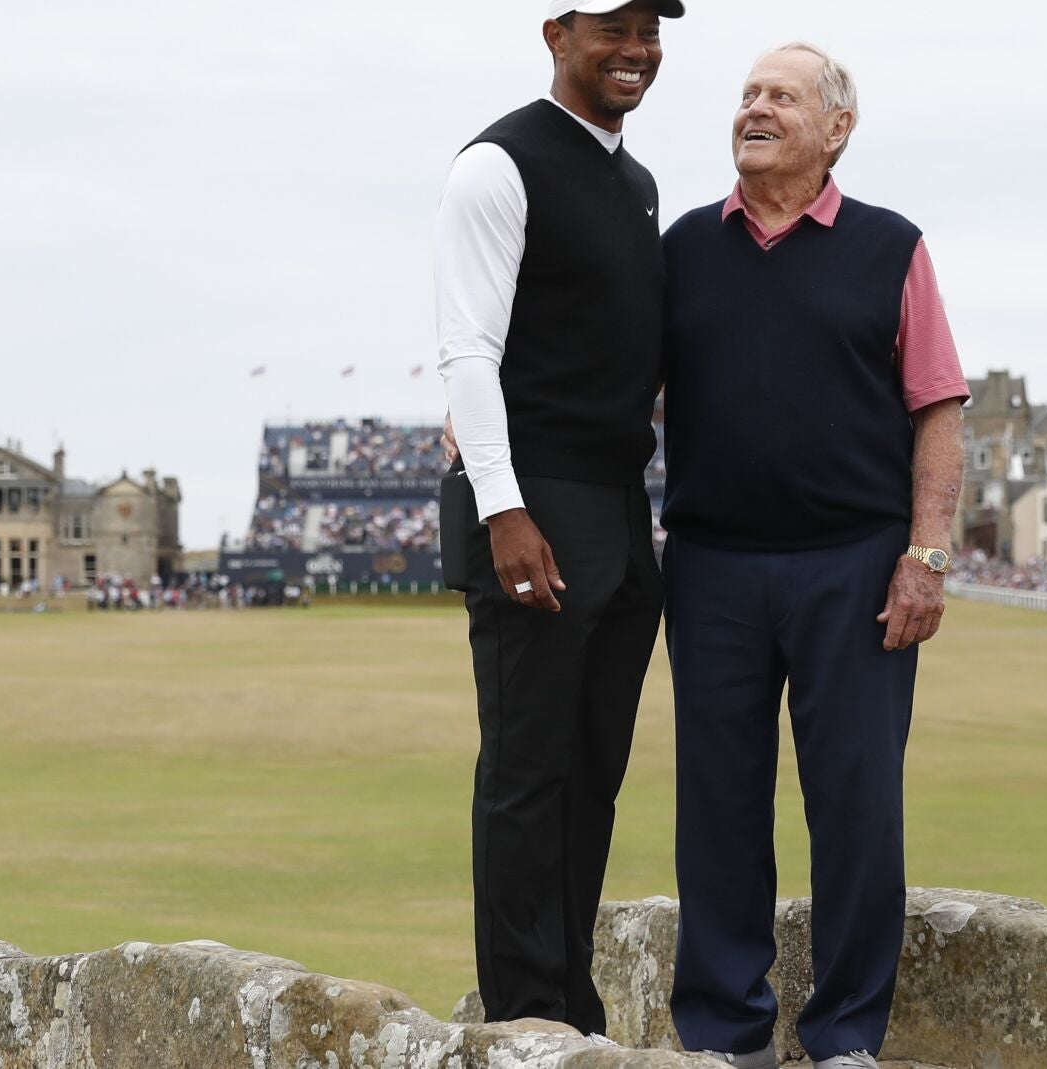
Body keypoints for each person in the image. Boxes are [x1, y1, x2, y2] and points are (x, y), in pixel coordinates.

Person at [660, 42, 969, 1069]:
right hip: (710, 566)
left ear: (836, 127)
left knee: (856, 811)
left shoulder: (892, 247)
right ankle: (724, 1035)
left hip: (856, 564)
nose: (754, 108)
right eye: (746, 95)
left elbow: (937, 409)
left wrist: (926, 553)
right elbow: (603, 368)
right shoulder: (681, 249)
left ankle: (843, 1039)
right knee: (716, 809)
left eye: (779, 97)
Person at [433, 0, 684, 1035]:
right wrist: (505, 509)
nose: (634, 51)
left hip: (619, 508)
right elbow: (468, 353)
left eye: (650, 33)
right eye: (612, 30)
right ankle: (522, 1010)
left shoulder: (635, 183)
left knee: (593, 774)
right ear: (557, 36)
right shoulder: (496, 165)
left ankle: (567, 994)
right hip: (533, 506)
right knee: (528, 772)